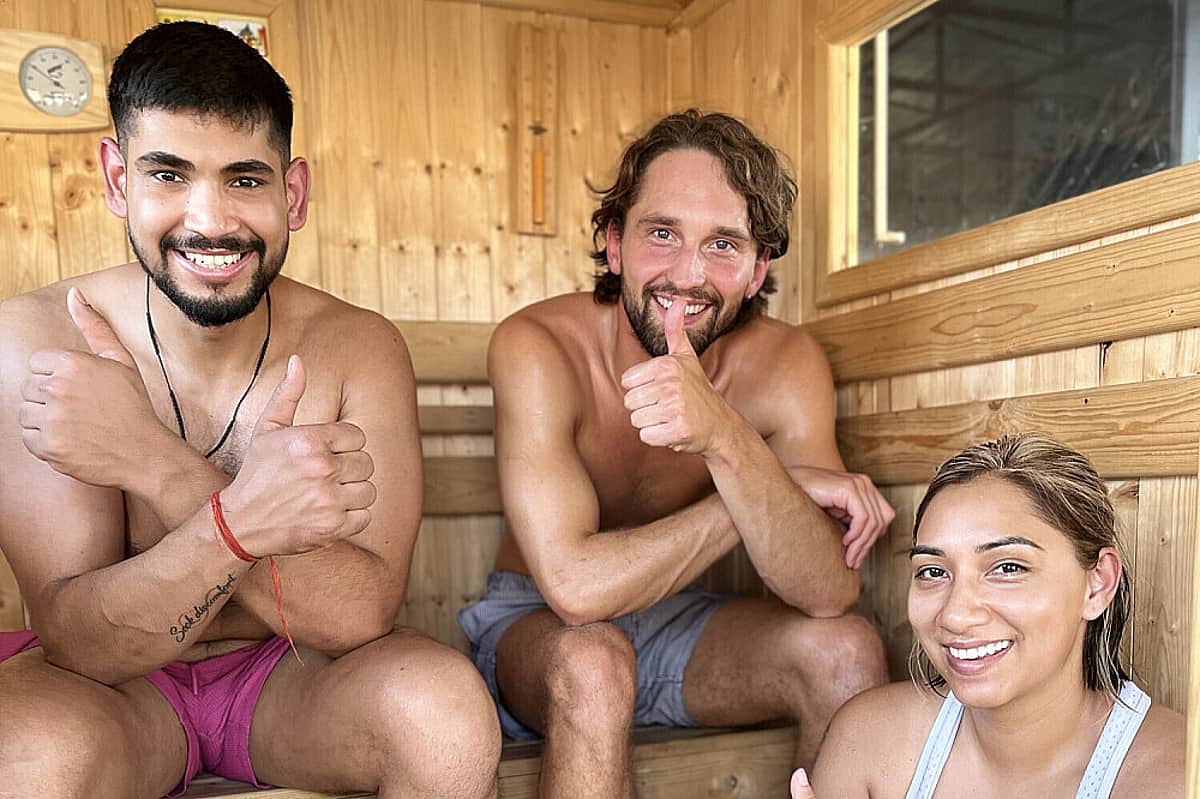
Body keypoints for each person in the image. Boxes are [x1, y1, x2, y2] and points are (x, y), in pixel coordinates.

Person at [0, 22, 499, 799]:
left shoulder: (355, 345)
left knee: (446, 715)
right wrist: (246, 516)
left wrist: (151, 460)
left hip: (289, 675)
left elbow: (359, 613)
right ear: (116, 176)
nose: (210, 222)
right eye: (167, 174)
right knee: (25, 759)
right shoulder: (34, 339)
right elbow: (80, 641)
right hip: (114, 690)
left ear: (291, 193)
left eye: (245, 180)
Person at [459, 109, 894, 797]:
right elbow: (574, 589)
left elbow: (829, 589)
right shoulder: (539, 346)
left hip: (682, 618)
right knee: (594, 663)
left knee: (848, 651)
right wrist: (759, 486)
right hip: (537, 622)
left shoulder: (786, 365)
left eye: (723, 244)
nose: (687, 275)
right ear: (614, 245)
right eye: (662, 234)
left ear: (757, 271)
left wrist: (724, 434)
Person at [806, 434, 1185, 798]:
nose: (955, 615)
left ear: (1098, 584)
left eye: (1007, 567)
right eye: (933, 572)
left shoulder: (1174, 777)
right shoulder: (869, 744)